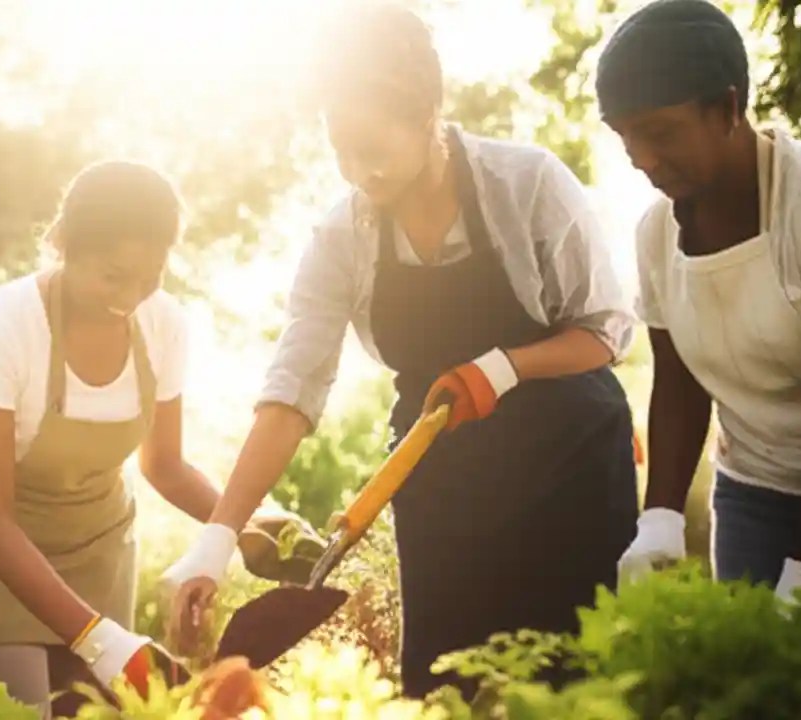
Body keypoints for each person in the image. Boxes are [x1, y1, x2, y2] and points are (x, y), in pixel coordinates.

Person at [162, 3, 640, 699]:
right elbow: (293, 390)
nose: (358, 171)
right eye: (341, 150)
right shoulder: (341, 239)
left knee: (570, 685)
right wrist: (216, 536)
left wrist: (503, 367)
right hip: (443, 474)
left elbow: (604, 332)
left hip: (570, 466)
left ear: (427, 115)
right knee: (442, 686)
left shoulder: (528, 186)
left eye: (373, 149)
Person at [0, 161, 256, 716]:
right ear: (64, 244)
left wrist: (250, 528)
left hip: (96, 544)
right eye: (112, 275)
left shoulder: (164, 325)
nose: (130, 296)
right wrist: (99, 639)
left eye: (149, 277)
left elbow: (167, 467)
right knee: (20, 713)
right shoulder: (5, 324)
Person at [600, 0, 801, 601]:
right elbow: (678, 381)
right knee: (743, 681)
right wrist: (660, 519)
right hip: (753, 487)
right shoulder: (655, 234)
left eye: (661, 133)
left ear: (726, 108)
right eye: (626, 139)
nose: (643, 160)